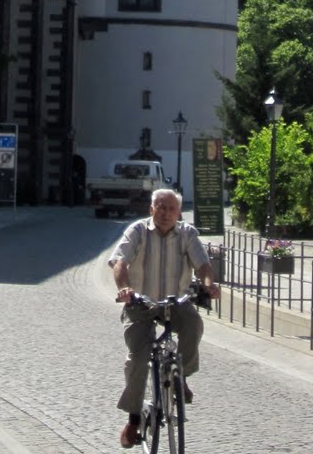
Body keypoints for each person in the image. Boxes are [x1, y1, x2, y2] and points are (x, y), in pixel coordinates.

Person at [110, 187, 218, 450]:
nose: (165, 212)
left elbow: (202, 264)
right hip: (140, 303)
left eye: (171, 208)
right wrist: (124, 289)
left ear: (179, 212)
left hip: (175, 302)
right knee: (138, 356)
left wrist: (208, 284)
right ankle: (134, 419)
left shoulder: (187, 234)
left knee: (194, 324)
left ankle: (181, 377)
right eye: (160, 206)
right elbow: (119, 261)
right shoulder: (137, 231)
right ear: (151, 209)